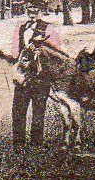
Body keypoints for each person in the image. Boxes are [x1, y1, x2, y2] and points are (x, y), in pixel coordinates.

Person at [8, 10, 62, 148]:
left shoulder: (49, 28)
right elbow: (15, 52)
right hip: (23, 77)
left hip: (40, 77)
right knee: (18, 109)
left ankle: (36, 142)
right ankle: (18, 143)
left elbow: (56, 53)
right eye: (29, 11)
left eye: (35, 11)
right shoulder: (20, 28)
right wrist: (12, 62)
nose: (32, 15)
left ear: (41, 11)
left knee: (38, 110)